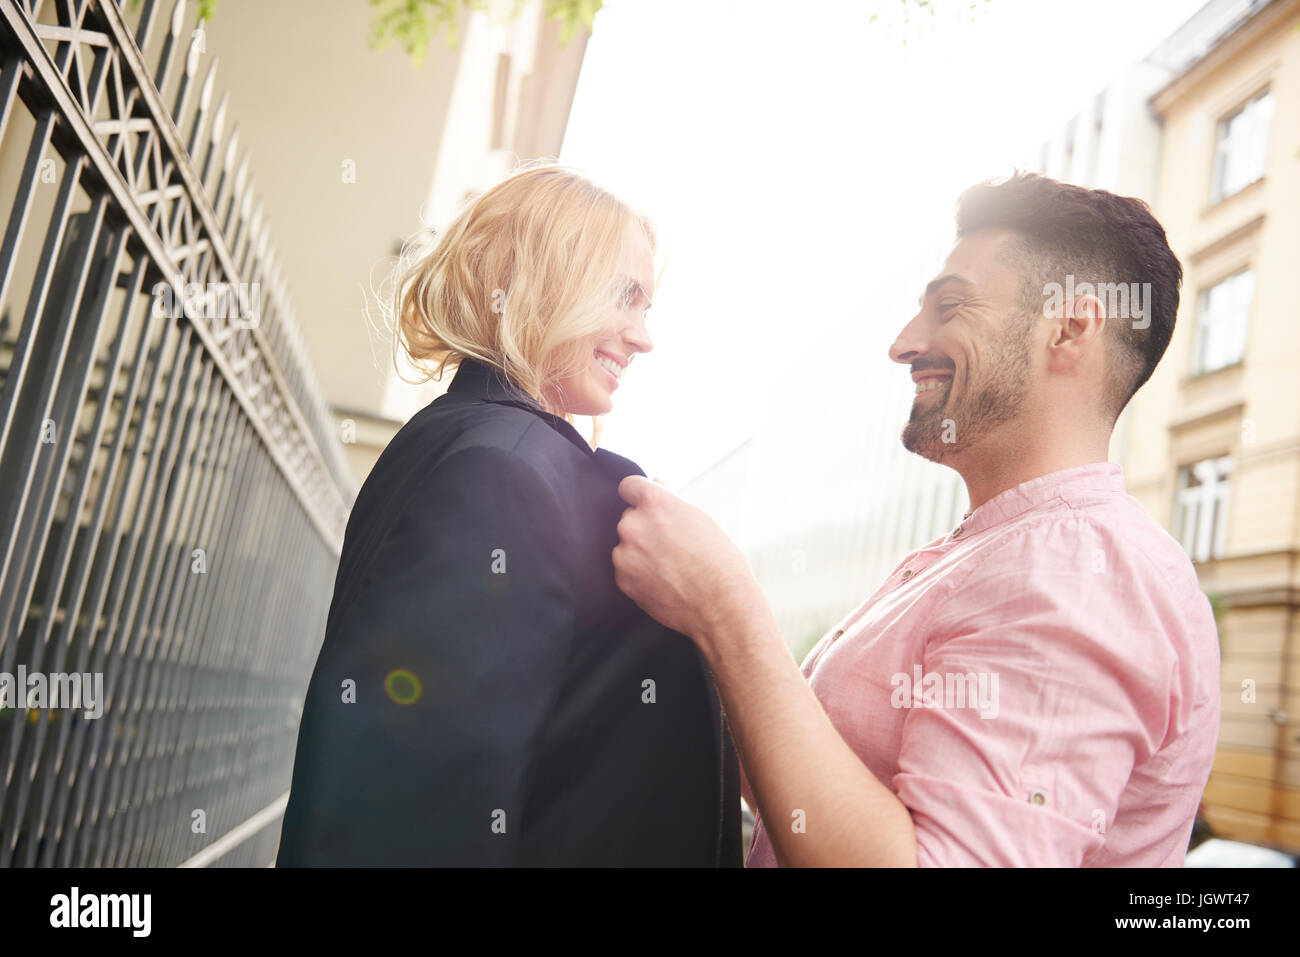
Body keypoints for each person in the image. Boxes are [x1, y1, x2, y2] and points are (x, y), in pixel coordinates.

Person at [612, 171, 1221, 867]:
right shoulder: (1006, 549)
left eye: (950, 307)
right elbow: (811, 795)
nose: (903, 342)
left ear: (1070, 328)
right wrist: (691, 615)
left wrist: (728, 611)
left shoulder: (1073, 574)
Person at [276, 163, 741, 866]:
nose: (642, 337)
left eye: (647, 308)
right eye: (625, 297)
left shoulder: (479, 441)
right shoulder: (505, 470)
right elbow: (411, 811)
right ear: (540, 278)